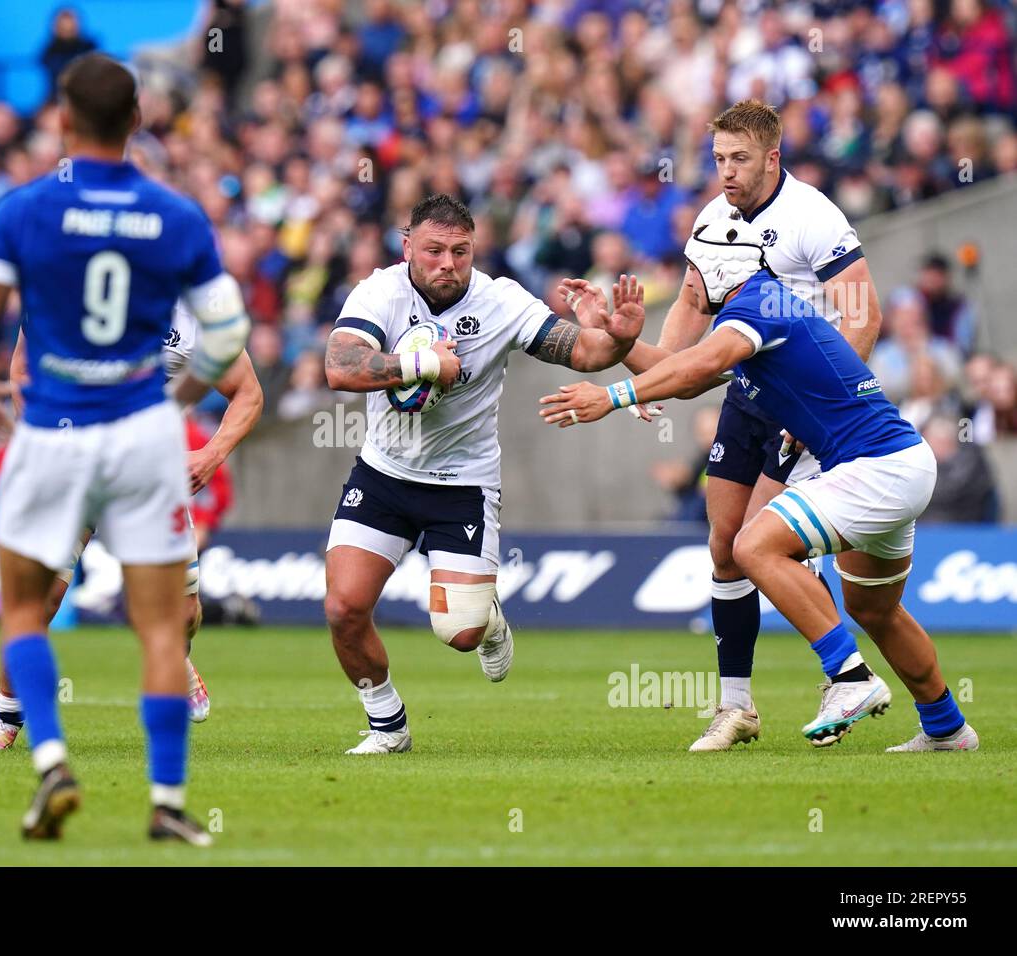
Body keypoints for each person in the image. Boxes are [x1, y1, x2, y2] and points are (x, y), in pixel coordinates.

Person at [0, 53, 250, 844]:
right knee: (160, 628)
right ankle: (167, 803)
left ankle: (50, 759)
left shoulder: (21, 212)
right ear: (138, 124)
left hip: (54, 430)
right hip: (144, 439)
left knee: (23, 604)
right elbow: (227, 336)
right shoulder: (177, 216)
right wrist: (176, 402)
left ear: (60, 121)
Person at [543, 221, 978, 753]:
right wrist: (619, 338)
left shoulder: (756, 306)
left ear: (720, 270)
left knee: (751, 545)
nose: (689, 288)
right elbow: (683, 370)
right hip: (899, 462)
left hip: (874, 468)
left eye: (692, 275)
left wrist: (609, 397)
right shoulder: (754, 313)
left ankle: (850, 679)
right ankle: (948, 728)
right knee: (874, 611)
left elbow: (697, 364)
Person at [322, 193, 638, 755]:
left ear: (474, 250)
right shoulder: (379, 291)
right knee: (344, 608)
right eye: (434, 250)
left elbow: (585, 354)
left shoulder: (501, 302)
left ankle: (488, 620)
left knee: (460, 635)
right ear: (408, 248)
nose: (448, 263)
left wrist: (617, 334)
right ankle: (387, 727)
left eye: (460, 251)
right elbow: (340, 367)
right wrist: (424, 364)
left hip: (462, 483)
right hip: (384, 474)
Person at [618, 100, 883, 752]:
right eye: (718, 160)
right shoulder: (712, 219)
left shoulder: (813, 217)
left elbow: (864, 316)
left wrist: (832, 402)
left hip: (805, 400)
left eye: (739, 159)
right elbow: (690, 301)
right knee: (723, 545)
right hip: (745, 395)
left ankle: (844, 672)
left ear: (772, 157)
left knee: (761, 545)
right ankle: (736, 706)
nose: (727, 172)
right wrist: (663, 374)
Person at [0, 300, 263, 749]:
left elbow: (248, 392)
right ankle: (5, 717)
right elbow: (23, 366)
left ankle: (177, 657)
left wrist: (211, 453)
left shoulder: (190, 314)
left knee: (181, 614)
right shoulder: (65, 282)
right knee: (39, 595)